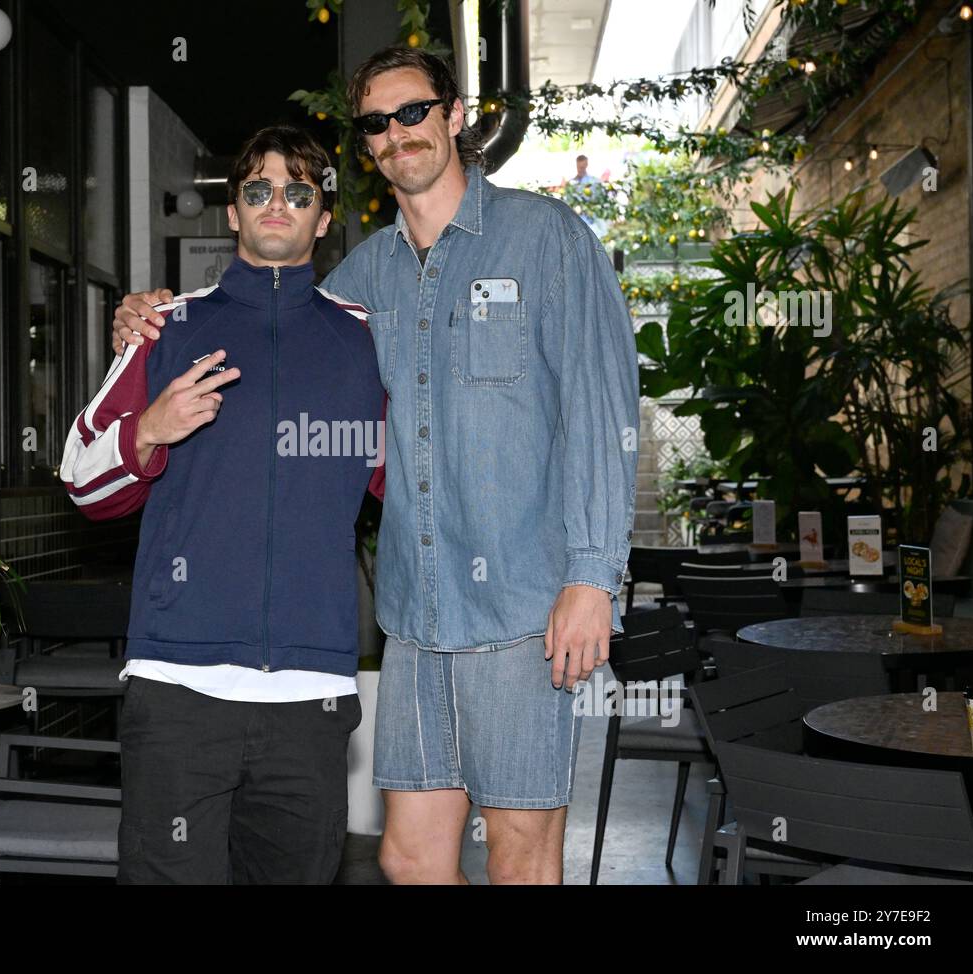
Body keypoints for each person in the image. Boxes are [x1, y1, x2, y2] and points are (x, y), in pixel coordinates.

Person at [113, 46, 638, 885]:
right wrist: (146, 318)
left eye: (414, 112)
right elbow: (278, 335)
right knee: (408, 857)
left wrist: (593, 577)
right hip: (415, 622)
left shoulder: (547, 239)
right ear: (365, 146)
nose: (397, 133)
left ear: (455, 116)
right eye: (376, 124)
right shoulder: (360, 284)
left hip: (522, 611)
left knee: (521, 856)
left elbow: (602, 413)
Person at [62, 124, 384, 884]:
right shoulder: (166, 329)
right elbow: (81, 478)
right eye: (259, 190)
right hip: (178, 690)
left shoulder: (366, 344)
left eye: (299, 192)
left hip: (313, 695)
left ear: (324, 219)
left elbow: (409, 484)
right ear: (233, 213)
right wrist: (150, 431)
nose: (279, 204)